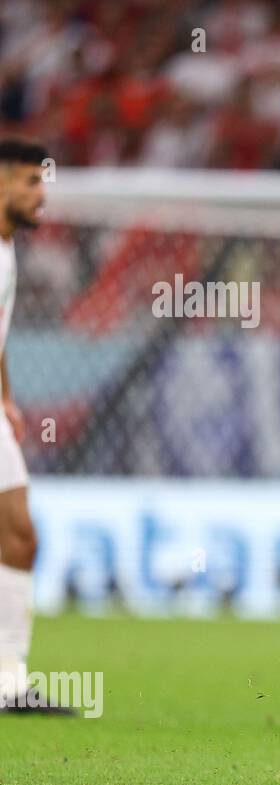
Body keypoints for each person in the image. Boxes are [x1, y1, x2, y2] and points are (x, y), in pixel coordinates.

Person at [0, 137, 72, 715]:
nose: (40, 193)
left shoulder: (7, 249)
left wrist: (7, 398)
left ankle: (9, 683)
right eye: (28, 181)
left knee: (21, 537)